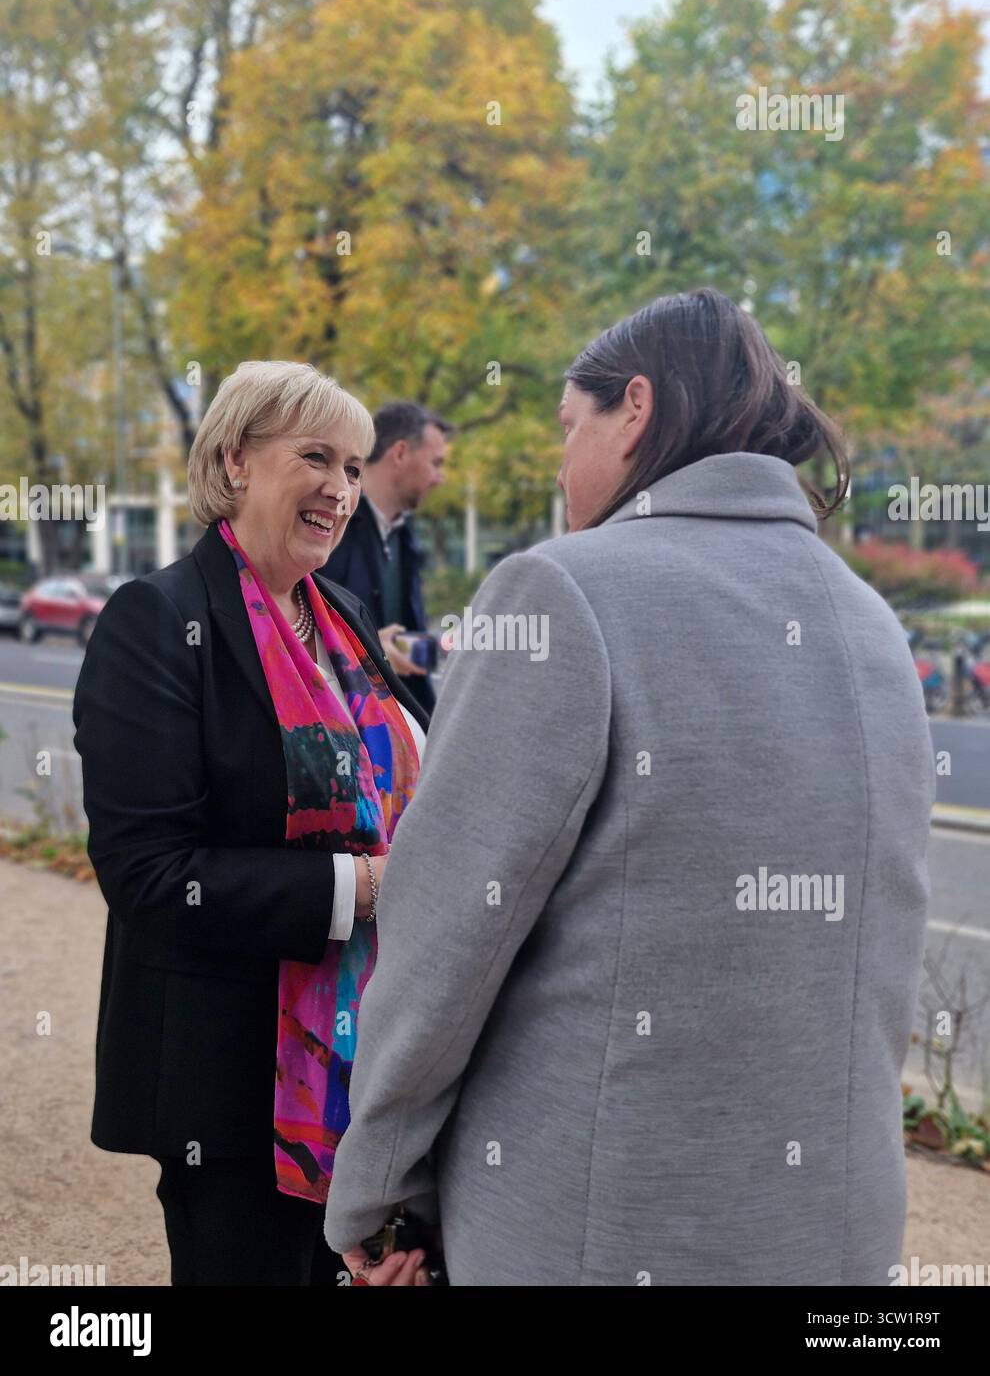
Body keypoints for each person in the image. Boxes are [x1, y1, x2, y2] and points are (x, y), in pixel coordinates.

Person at [324, 289, 935, 1286]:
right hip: (833, 1234)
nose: (564, 465)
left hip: (600, 1228)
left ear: (637, 409)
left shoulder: (563, 592)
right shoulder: (870, 623)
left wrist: (379, 1190)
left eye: (573, 427)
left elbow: (445, 940)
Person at [73, 361, 433, 1287]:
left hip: (369, 1064)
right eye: (315, 457)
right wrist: (366, 886)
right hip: (230, 1078)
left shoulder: (344, 617)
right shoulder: (155, 619)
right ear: (235, 460)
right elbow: (149, 875)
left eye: (354, 468)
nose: (341, 489)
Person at [317, 401, 451, 717]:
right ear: (400, 453)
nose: (439, 478)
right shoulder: (326, 526)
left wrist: (448, 649)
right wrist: (370, 649)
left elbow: (397, 645)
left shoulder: (407, 539)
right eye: (436, 463)